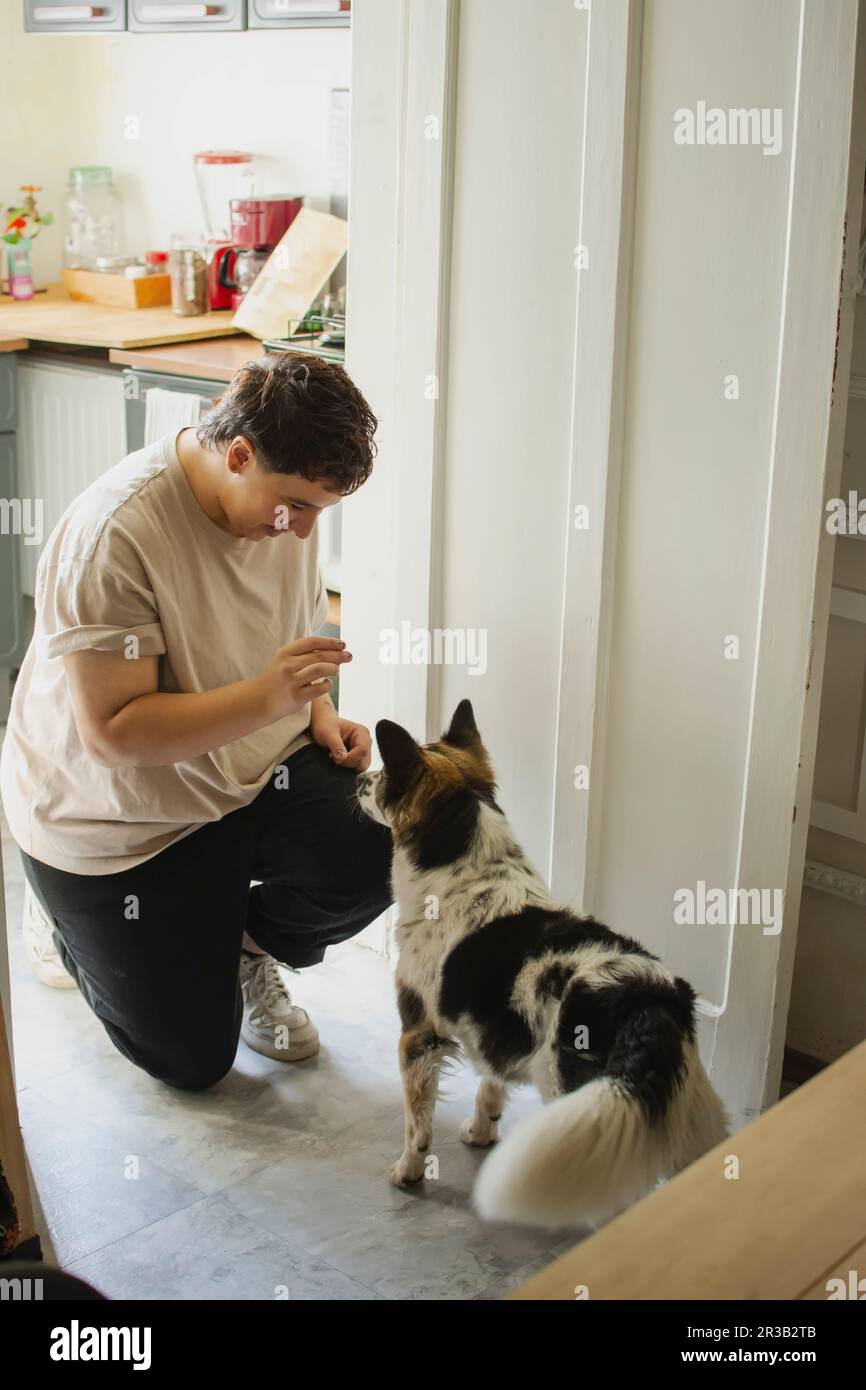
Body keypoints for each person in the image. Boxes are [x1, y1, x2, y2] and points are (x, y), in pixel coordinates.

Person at [0, 353, 394, 1088]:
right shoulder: (115, 534)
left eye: (321, 511)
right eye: (299, 506)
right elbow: (114, 733)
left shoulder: (274, 518)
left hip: (240, 771)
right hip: (114, 823)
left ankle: (242, 946)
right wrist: (272, 698)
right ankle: (64, 924)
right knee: (191, 1061)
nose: (306, 533)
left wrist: (320, 713)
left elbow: (291, 638)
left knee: (380, 847)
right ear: (239, 454)